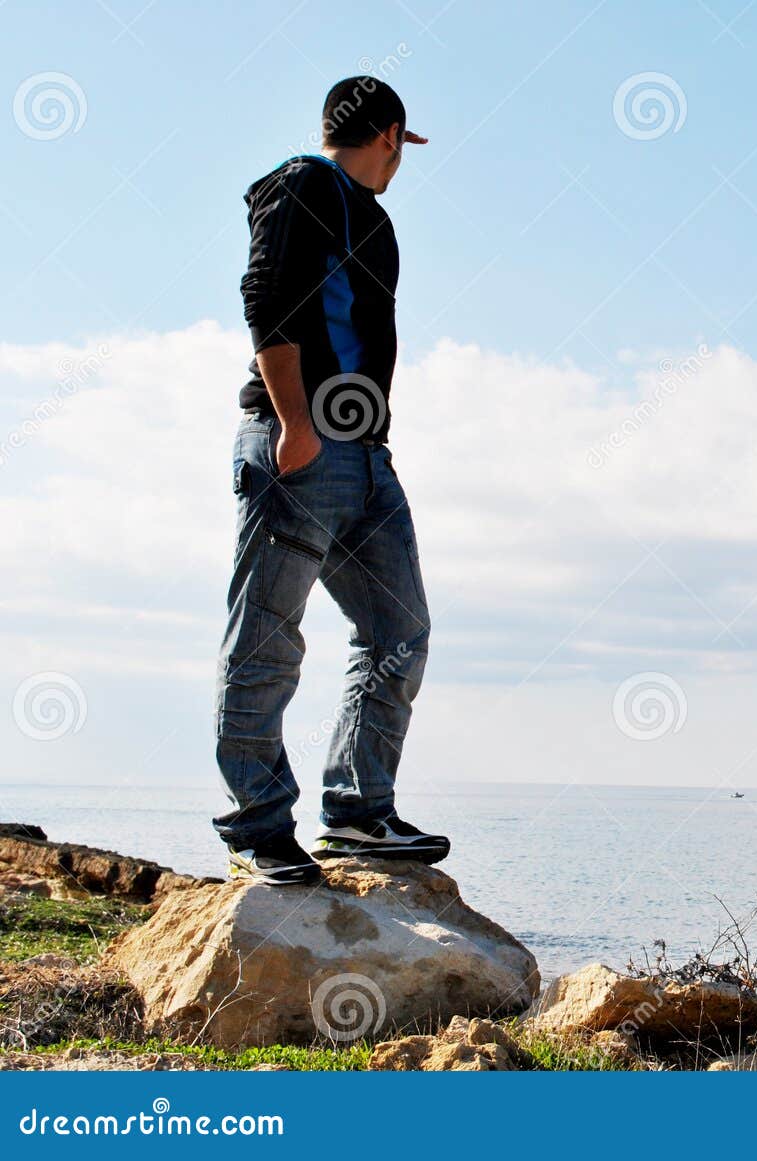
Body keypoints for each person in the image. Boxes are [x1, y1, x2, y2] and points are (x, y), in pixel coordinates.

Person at [213, 77, 446, 885]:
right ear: (390, 134)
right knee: (269, 637)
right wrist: (296, 425)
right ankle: (257, 824)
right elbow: (267, 299)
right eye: (400, 148)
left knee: (400, 632)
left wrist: (364, 441)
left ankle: (356, 812)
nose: (398, 163)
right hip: (301, 442)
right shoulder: (302, 183)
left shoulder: (375, 222)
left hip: (367, 456)